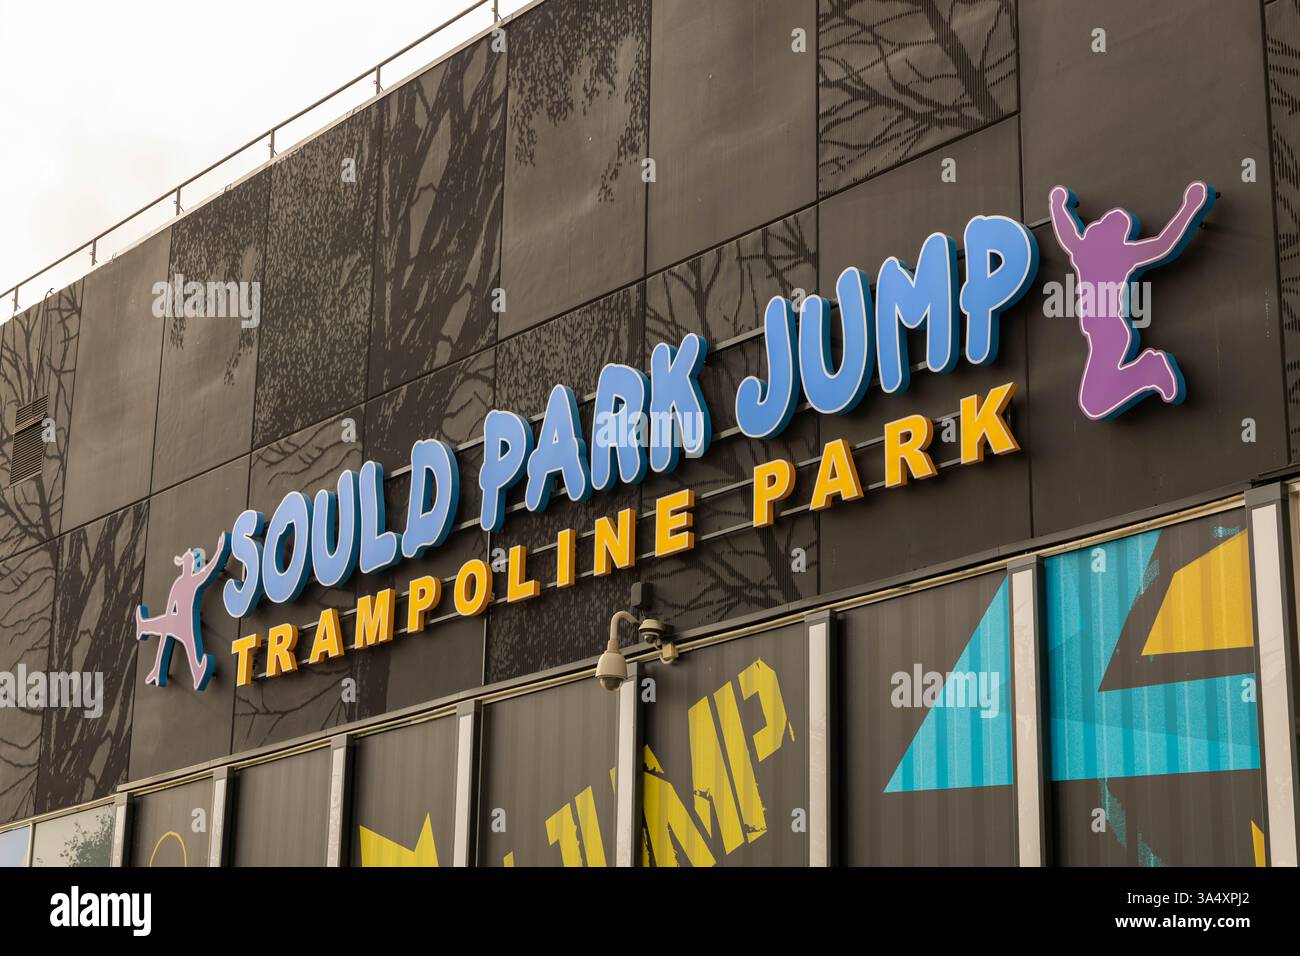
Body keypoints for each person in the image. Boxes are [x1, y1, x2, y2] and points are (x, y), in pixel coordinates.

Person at [1049, 181, 1215, 420]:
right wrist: (1057, 205)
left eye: (1106, 224)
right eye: (1101, 221)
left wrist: (1191, 208)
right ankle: (1149, 370)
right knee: (1094, 400)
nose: (1097, 224)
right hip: (1101, 333)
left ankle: (1152, 370)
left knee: (1093, 403)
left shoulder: (1108, 253)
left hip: (1110, 331)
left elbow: (1165, 246)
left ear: (1116, 236)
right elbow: (1066, 233)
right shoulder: (1088, 251)